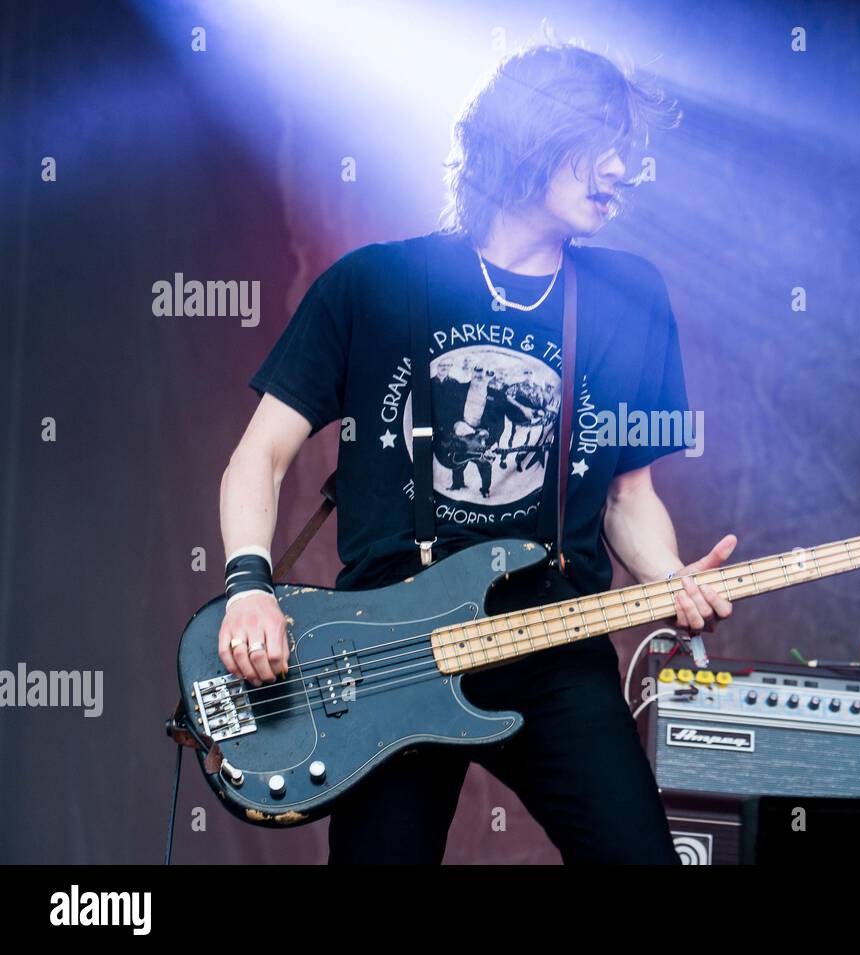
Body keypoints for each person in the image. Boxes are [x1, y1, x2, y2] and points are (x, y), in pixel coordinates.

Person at [215, 40, 737, 864]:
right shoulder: (373, 285)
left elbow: (628, 496)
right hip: (388, 654)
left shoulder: (630, 296)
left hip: (557, 647)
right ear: (536, 137)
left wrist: (671, 577)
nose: (624, 172)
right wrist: (248, 585)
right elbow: (261, 454)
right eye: (607, 146)